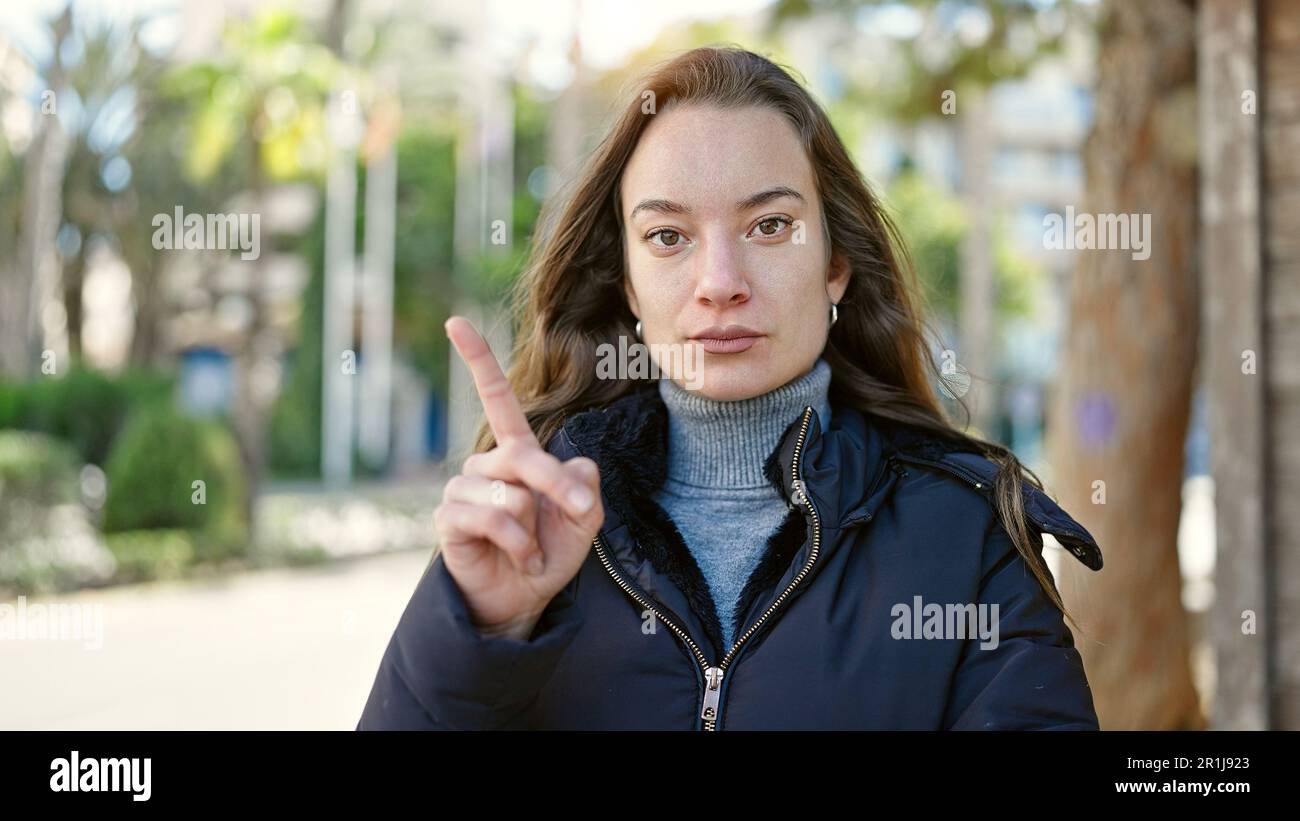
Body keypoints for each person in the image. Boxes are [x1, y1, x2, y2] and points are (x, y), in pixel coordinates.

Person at [357, 46, 1102, 731]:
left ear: (836, 263)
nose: (720, 284)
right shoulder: (532, 520)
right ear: (628, 285)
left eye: (770, 225)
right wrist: (480, 631)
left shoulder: (968, 536)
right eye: (668, 237)